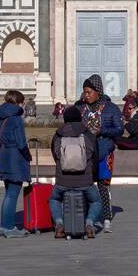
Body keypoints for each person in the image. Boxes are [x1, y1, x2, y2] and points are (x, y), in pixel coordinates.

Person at [49, 105, 102, 239]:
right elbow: (95, 157)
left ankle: (59, 224)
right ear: (80, 118)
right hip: (85, 181)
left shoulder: (58, 135)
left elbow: (56, 156)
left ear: (65, 119)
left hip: (62, 181)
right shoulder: (88, 135)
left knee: (54, 199)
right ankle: (89, 224)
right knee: (96, 201)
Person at [79, 74, 123, 231]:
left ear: (98, 91)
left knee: (103, 186)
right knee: (86, 186)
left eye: (89, 92)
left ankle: (106, 219)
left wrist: (102, 130)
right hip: (86, 154)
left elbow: (119, 129)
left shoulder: (111, 108)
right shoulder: (82, 108)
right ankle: (88, 218)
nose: (86, 95)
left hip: (104, 153)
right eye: (84, 92)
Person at [0, 90, 31, 238]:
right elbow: (21, 142)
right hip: (15, 158)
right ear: (18, 102)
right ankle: (9, 227)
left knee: (8, 193)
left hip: (4, 155)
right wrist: (28, 155)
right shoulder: (16, 119)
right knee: (12, 193)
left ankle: (4, 225)